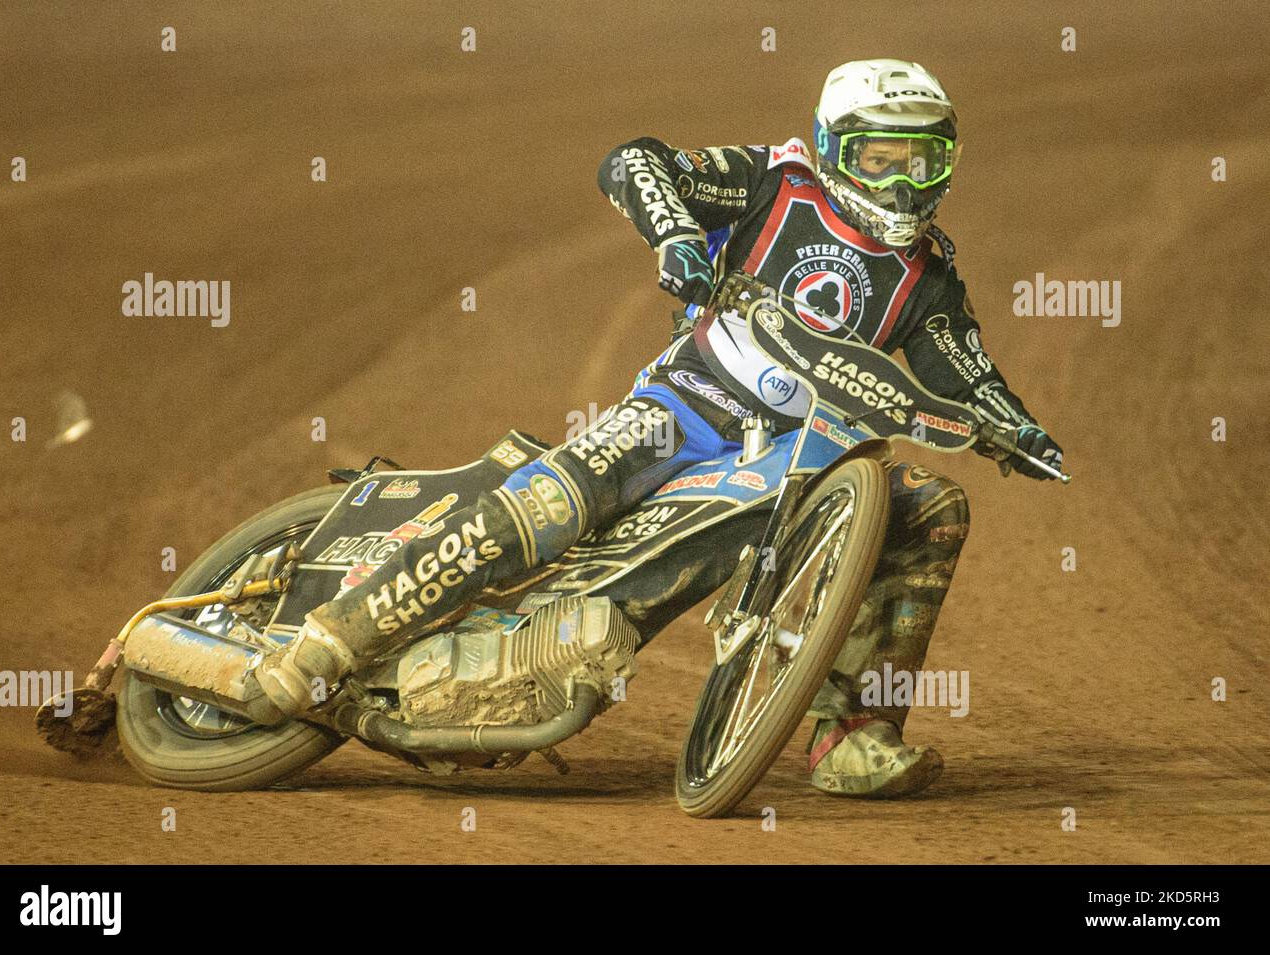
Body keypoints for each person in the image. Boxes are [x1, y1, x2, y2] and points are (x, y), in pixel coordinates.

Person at [255, 59, 1064, 798]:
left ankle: (854, 733)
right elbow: (635, 158)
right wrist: (676, 235)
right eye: (879, 158)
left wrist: (1017, 430)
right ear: (831, 149)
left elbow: (971, 374)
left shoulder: (930, 279)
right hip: (682, 404)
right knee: (558, 504)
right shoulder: (776, 185)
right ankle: (333, 638)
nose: (900, 183)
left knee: (933, 506)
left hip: (798, 453)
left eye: (923, 161)